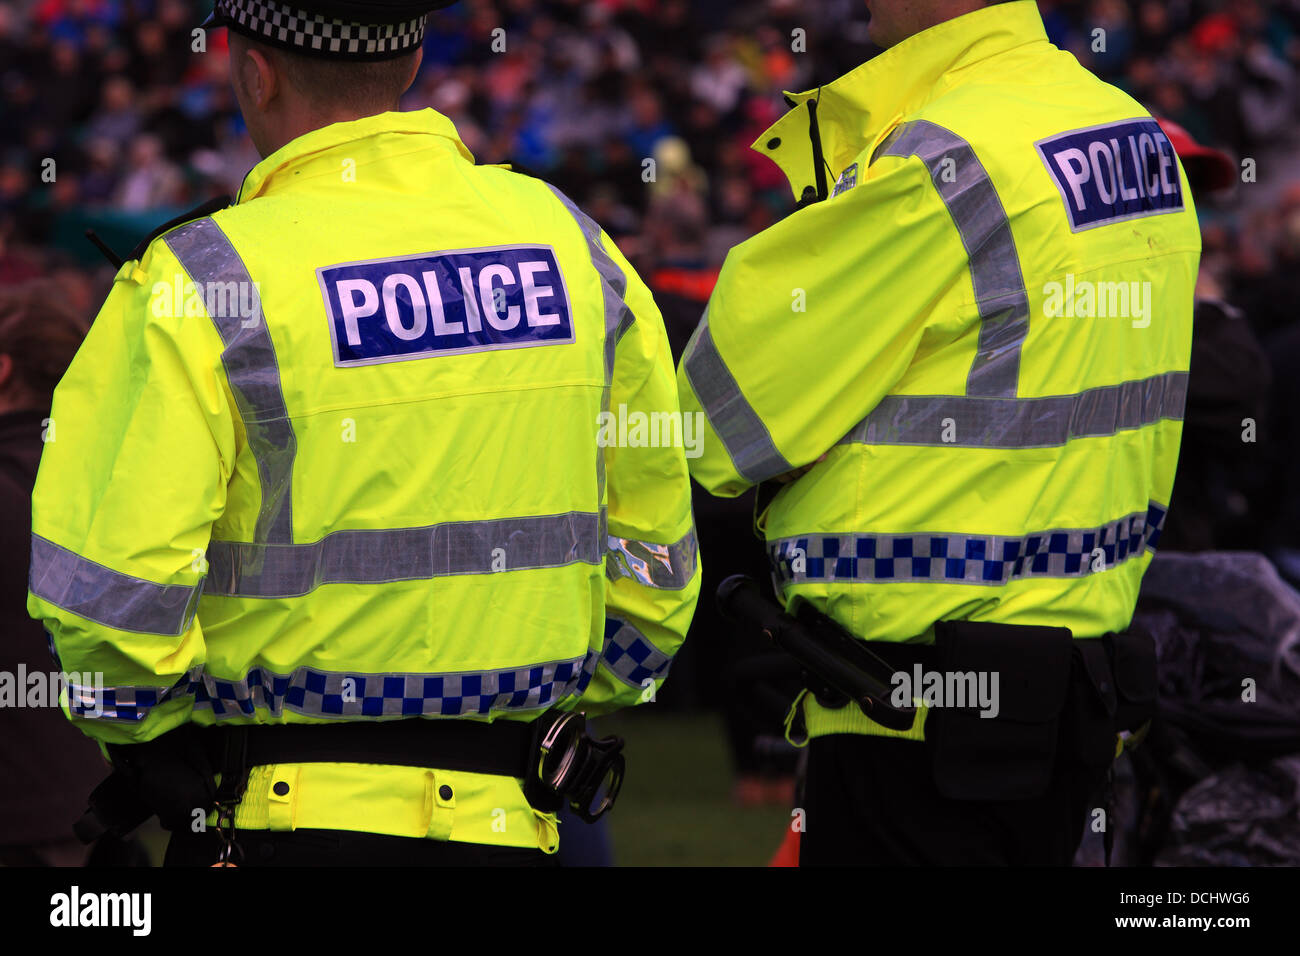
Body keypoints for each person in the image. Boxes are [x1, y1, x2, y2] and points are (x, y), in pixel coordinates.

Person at [28, 0, 699, 867]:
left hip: (276, 822)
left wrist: (156, 737)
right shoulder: (577, 249)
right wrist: (549, 702)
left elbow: (106, 600)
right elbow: (656, 570)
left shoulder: (202, 280)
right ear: (412, 61)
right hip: (520, 822)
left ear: (253, 73)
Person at [678, 0, 1200, 865]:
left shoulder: (943, 157)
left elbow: (718, 423)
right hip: (1068, 693)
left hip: (916, 722)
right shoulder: (1126, 127)